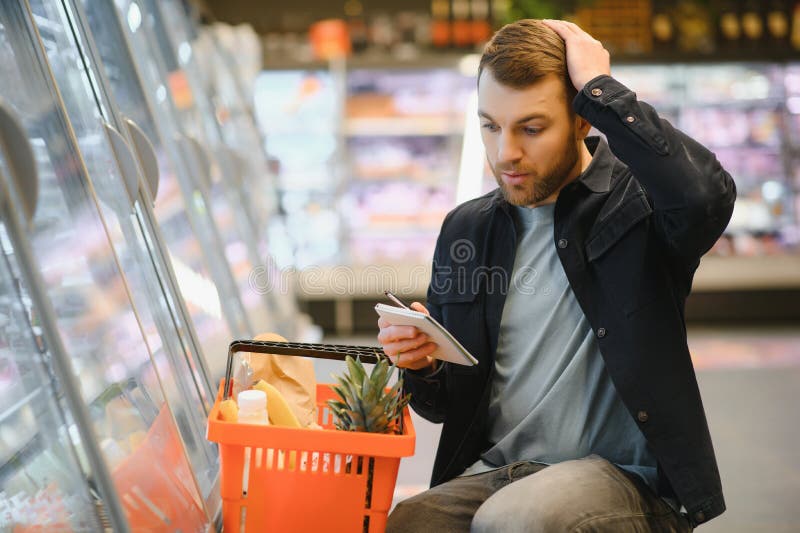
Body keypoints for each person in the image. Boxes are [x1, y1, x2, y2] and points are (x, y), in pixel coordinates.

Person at [377, 19, 735, 532]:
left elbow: (704, 197)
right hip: (498, 470)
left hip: (621, 481)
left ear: (582, 120)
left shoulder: (637, 207)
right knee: (411, 522)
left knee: (517, 519)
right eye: (490, 126)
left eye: (532, 128)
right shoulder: (467, 229)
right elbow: (447, 406)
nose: (505, 154)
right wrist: (423, 364)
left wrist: (601, 89)